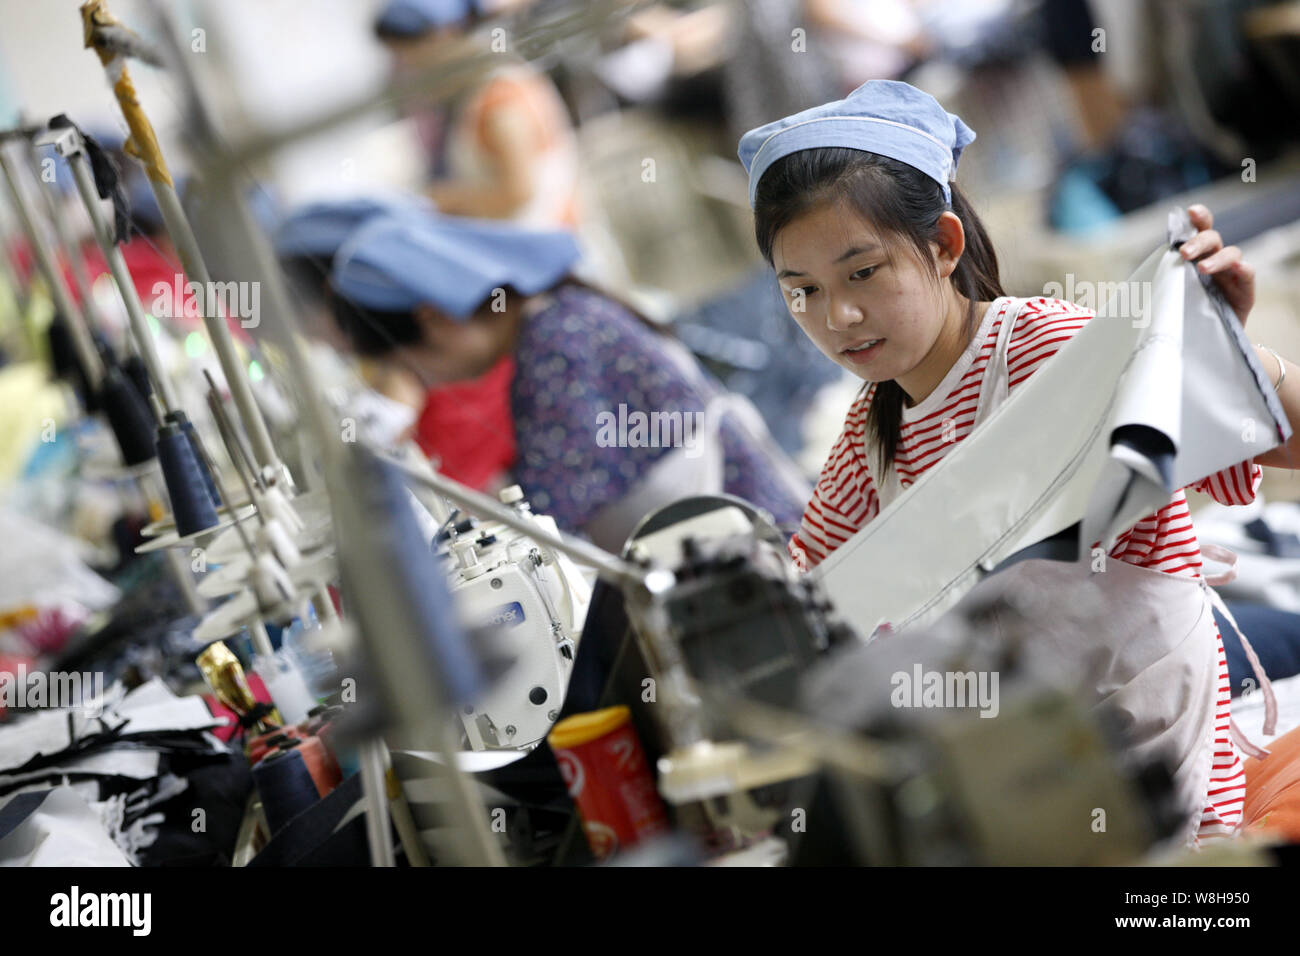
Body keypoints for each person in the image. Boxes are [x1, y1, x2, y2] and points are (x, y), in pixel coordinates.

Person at [738, 79, 1299, 846]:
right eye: (801, 291)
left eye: (863, 272)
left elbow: (1283, 439)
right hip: (1040, 774)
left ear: (942, 244)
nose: (837, 316)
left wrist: (1233, 360)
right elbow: (817, 615)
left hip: (1166, 766)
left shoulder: (1051, 350)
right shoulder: (869, 443)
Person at [328, 211, 810, 551]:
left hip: (759, 549)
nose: (428, 383)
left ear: (434, 318)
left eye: (411, 365)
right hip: (756, 528)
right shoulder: (560, 315)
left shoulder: (554, 346)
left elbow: (546, 523)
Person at [374, 0, 580, 229]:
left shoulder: (499, 100)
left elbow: (518, 194)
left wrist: (444, 199)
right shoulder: (474, 93)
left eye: (409, 49)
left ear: (448, 34)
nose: (405, 65)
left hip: (543, 246)